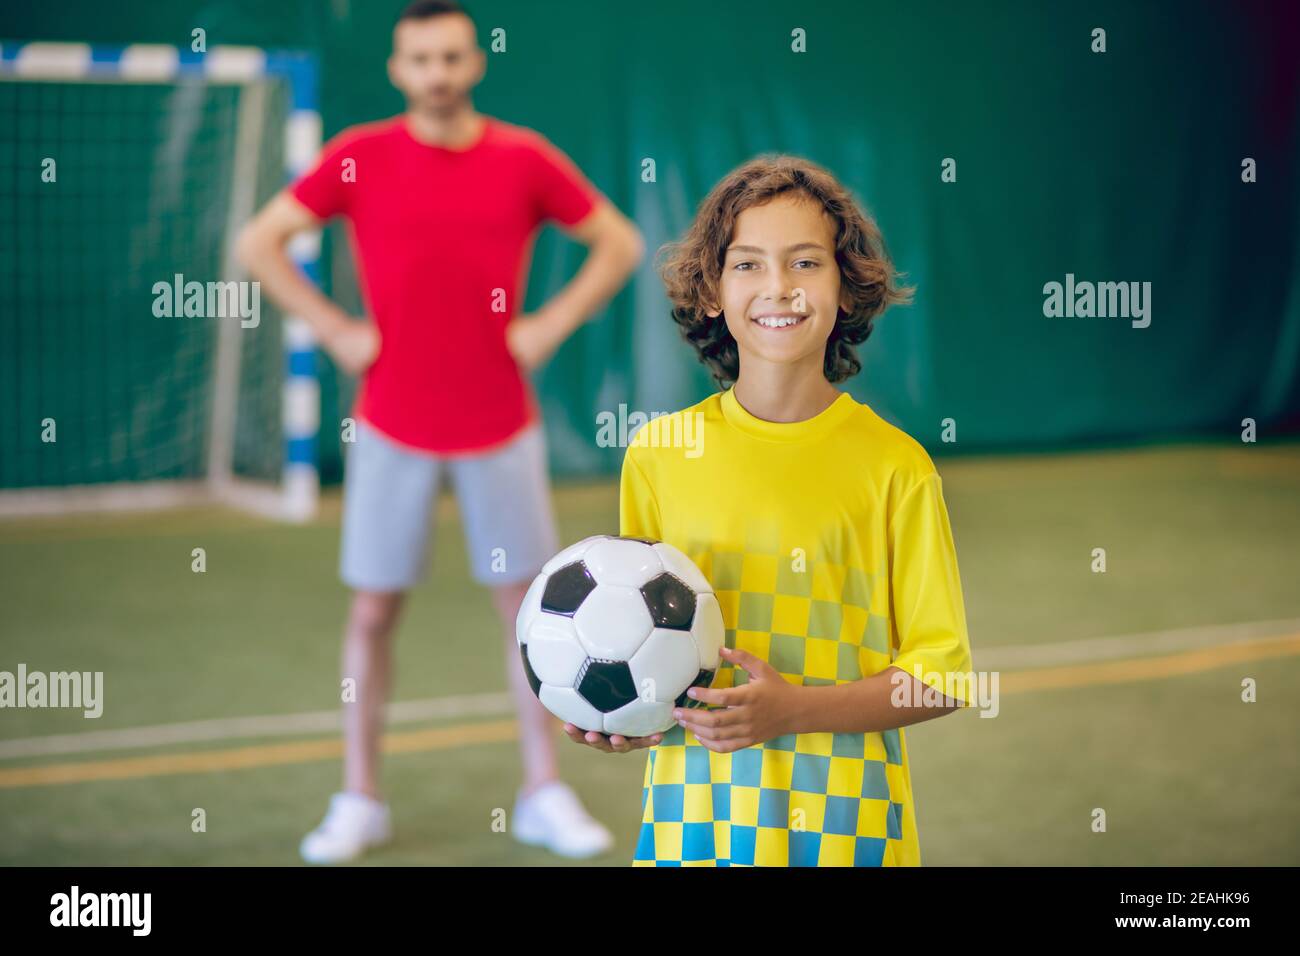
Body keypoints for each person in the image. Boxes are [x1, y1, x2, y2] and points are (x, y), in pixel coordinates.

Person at [235, 0, 644, 863]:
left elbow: (618, 242)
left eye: (452, 56)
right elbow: (261, 242)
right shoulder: (358, 157)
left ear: (475, 62)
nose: (438, 73)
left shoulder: (523, 158)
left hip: (501, 424)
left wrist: (547, 325)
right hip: (392, 425)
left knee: (529, 616)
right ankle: (360, 799)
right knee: (374, 611)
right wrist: (336, 328)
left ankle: (543, 792)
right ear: (397, 68)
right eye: (421, 59)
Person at [565, 155, 973, 866]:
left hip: (847, 827)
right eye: (747, 265)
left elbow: (939, 678)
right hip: (696, 828)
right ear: (713, 291)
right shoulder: (660, 453)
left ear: (846, 289)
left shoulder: (895, 466)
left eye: (806, 263)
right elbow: (641, 641)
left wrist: (794, 711)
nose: (778, 287)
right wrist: (618, 709)